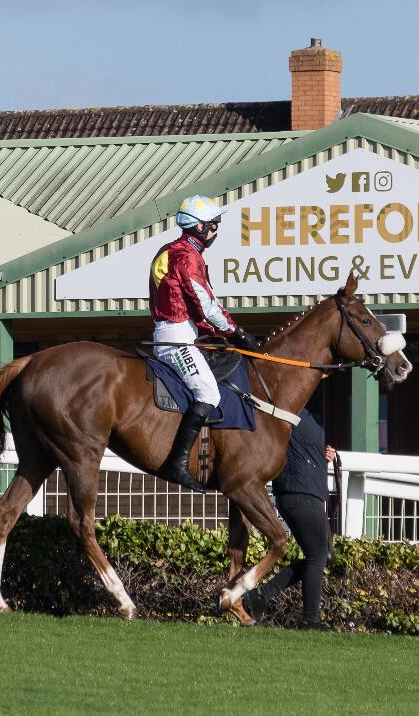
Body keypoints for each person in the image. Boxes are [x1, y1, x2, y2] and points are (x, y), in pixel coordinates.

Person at [149, 194, 259, 492]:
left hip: (179, 332)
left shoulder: (170, 250)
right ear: (198, 227)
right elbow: (207, 305)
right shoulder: (187, 256)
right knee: (209, 394)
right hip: (177, 338)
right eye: (214, 224)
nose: (216, 230)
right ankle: (177, 464)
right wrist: (237, 333)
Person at [243, 408, 336, 630]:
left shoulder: (305, 416)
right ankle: (310, 620)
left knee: (320, 555)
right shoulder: (290, 411)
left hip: (303, 491)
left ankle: (262, 595)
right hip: (300, 494)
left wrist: (327, 454)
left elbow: (307, 449)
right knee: (318, 554)